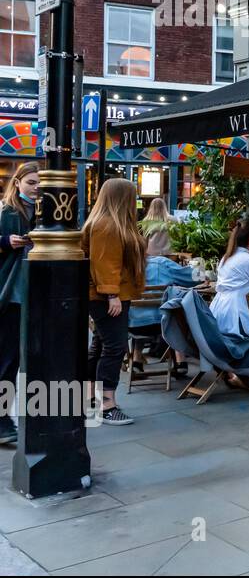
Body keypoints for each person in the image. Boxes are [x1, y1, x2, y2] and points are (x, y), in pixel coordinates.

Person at [83, 178, 148, 426]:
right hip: (108, 297)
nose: (136, 200)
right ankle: (106, 405)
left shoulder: (109, 223)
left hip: (109, 295)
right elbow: (105, 263)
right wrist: (112, 295)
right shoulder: (108, 225)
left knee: (101, 344)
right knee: (115, 346)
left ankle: (90, 398)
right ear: (122, 199)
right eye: (132, 196)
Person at [0, 161, 38, 443]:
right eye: (31, 183)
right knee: (7, 360)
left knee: (23, 359)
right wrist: (3, 241)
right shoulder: (8, 211)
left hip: (31, 293)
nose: (36, 189)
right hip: (11, 293)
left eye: (39, 184)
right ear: (18, 182)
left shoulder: (42, 210)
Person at [128, 254, 202, 378]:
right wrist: (196, 262)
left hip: (134, 327)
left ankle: (136, 360)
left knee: (139, 313)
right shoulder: (162, 263)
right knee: (173, 310)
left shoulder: (124, 267)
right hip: (164, 325)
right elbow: (194, 278)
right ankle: (181, 361)